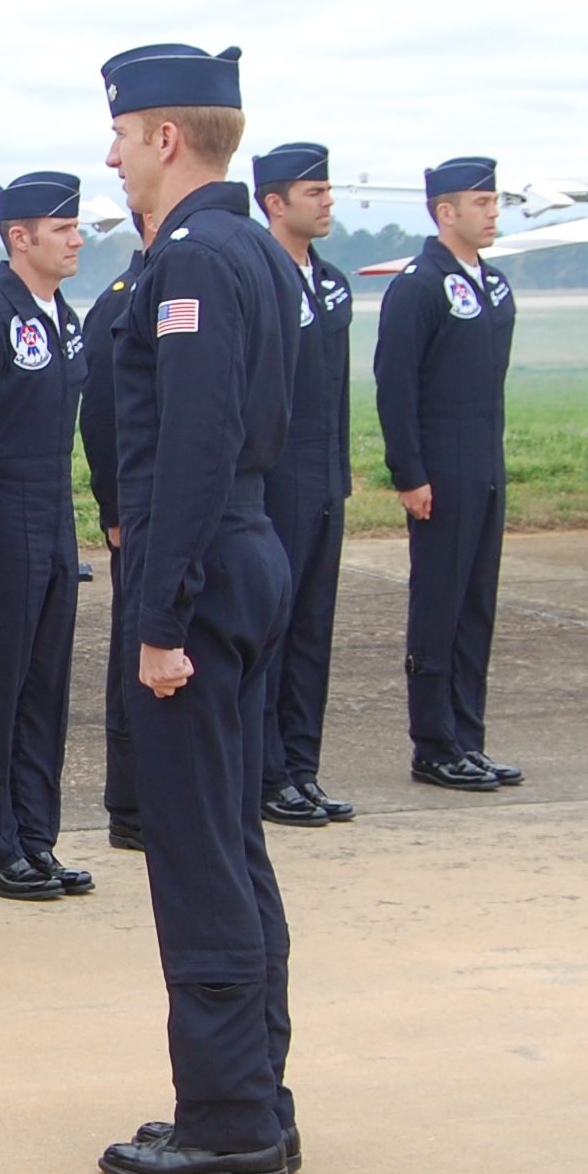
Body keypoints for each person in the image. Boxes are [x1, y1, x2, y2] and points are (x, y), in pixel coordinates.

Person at [95, 41, 304, 1174]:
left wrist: (158, 619)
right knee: (231, 835)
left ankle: (225, 1118)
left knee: (197, 849)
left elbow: (188, 450)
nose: (112, 155)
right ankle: (256, 1093)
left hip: (201, 566)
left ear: (164, 137)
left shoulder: (190, 261)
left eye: (121, 136)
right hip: (245, 551)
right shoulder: (252, 250)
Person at [0, 170, 96, 902]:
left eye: (76, 229)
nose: (76, 240)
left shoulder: (62, 316)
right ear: (20, 237)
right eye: (63, 229)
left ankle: (35, 838)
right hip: (1, 518)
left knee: (46, 689)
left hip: (54, 517)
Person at [373, 156, 522, 794]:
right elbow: (395, 382)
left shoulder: (492, 284)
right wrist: (409, 470)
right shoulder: (419, 284)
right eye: (480, 203)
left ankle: (468, 736)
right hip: (440, 467)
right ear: (445, 213)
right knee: (438, 606)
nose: (492, 214)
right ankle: (433, 743)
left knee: (474, 607)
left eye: (495, 203)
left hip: (486, 463)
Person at [250, 143, 359, 829]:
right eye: (313, 191)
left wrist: (342, 468)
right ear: (274, 203)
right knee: (274, 627)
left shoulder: (333, 280)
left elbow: (339, 383)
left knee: (316, 625)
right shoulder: (260, 275)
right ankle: (267, 773)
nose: (327, 202)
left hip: (323, 474)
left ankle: (302, 767)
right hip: (276, 477)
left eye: (327, 190)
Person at [78, 206, 149, 853]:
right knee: (139, 653)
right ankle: (132, 804)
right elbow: (99, 415)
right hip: (142, 514)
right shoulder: (122, 303)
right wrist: (114, 509)